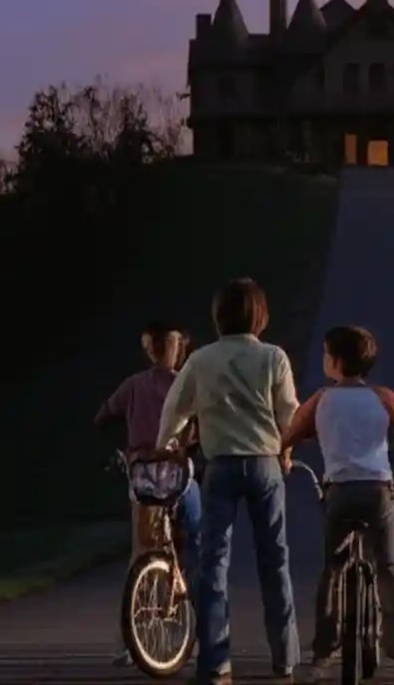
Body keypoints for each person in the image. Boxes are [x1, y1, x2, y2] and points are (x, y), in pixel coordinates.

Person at [156, 278, 301, 685]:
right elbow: (288, 415)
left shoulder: (200, 359)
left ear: (218, 315)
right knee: (275, 560)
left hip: (219, 466)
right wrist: (286, 450)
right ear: (261, 315)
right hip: (264, 465)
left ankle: (217, 661)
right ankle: (285, 657)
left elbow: (176, 409)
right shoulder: (274, 358)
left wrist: (166, 445)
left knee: (213, 563)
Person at [280, 326, 394, 684]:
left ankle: (321, 656)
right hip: (377, 492)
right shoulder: (382, 398)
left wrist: (286, 456)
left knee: (332, 570)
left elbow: (288, 435)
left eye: (326, 354)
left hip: (338, 493)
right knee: (390, 568)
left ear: (335, 362)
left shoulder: (322, 399)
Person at [95, 321, 203, 667]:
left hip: (141, 475)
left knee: (140, 551)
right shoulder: (183, 384)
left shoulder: (132, 385)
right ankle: (196, 623)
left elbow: (103, 416)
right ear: (177, 350)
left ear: (149, 350)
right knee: (199, 541)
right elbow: (199, 424)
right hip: (176, 472)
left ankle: (128, 639)